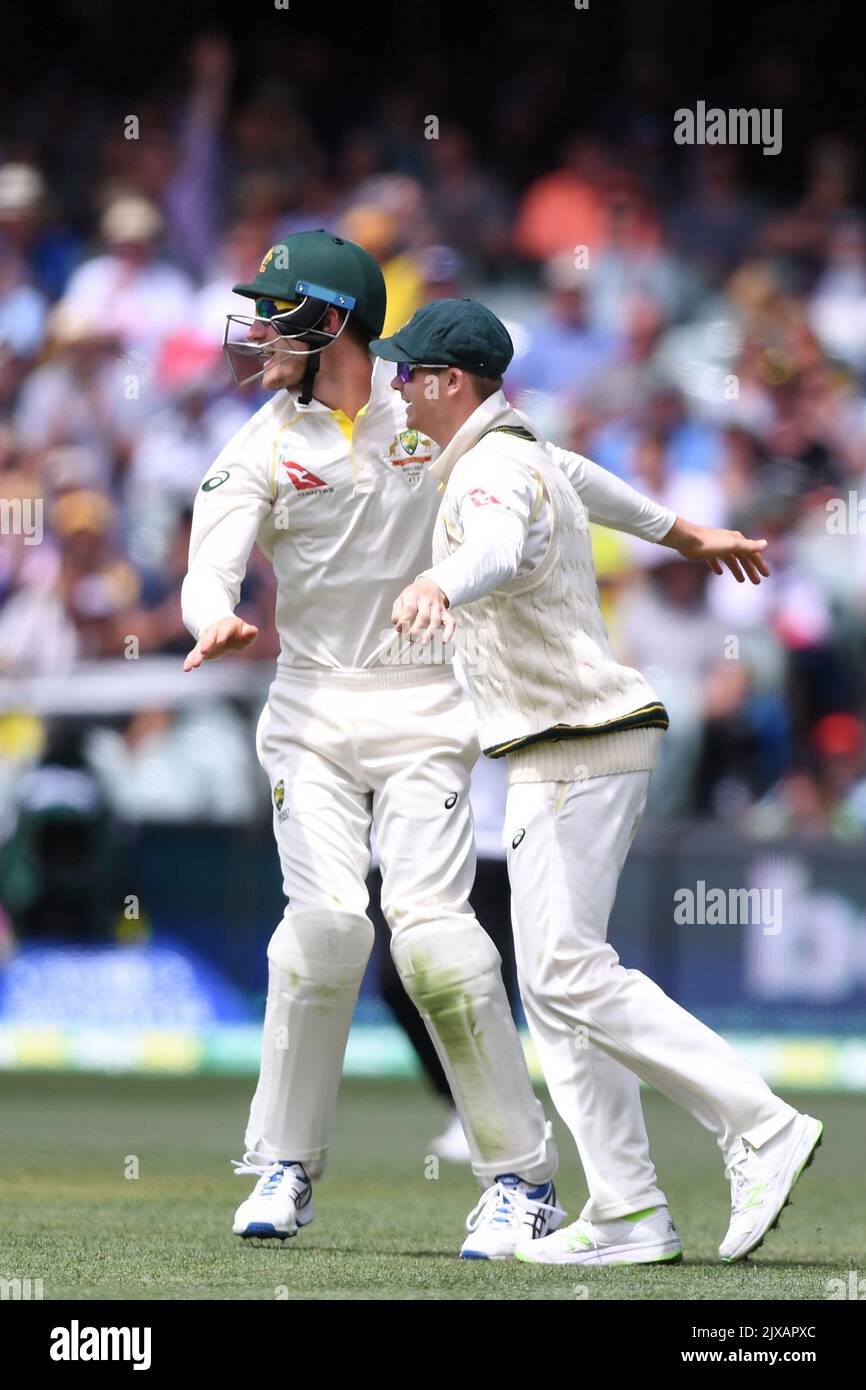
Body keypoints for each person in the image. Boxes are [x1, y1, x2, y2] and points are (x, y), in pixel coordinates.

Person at [383, 297, 823, 1266]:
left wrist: (436, 582)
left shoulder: (489, 475)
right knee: (555, 985)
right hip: (573, 743)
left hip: (573, 744)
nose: (397, 386)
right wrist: (685, 532)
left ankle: (756, 1126)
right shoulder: (518, 451)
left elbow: (494, 550)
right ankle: (625, 1208)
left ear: (450, 382)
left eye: (408, 372)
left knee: (565, 973)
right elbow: (579, 480)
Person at [182, 231, 561, 1260]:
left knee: (433, 939)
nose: (258, 330)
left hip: (426, 709)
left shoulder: (428, 411)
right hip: (307, 711)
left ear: (331, 322)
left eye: (277, 311)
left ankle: (519, 1181)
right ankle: (282, 1165)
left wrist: (670, 529)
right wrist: (209, 614)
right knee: (320, 933)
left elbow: (530, 479)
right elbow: (208, 558)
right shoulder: (261, 439)